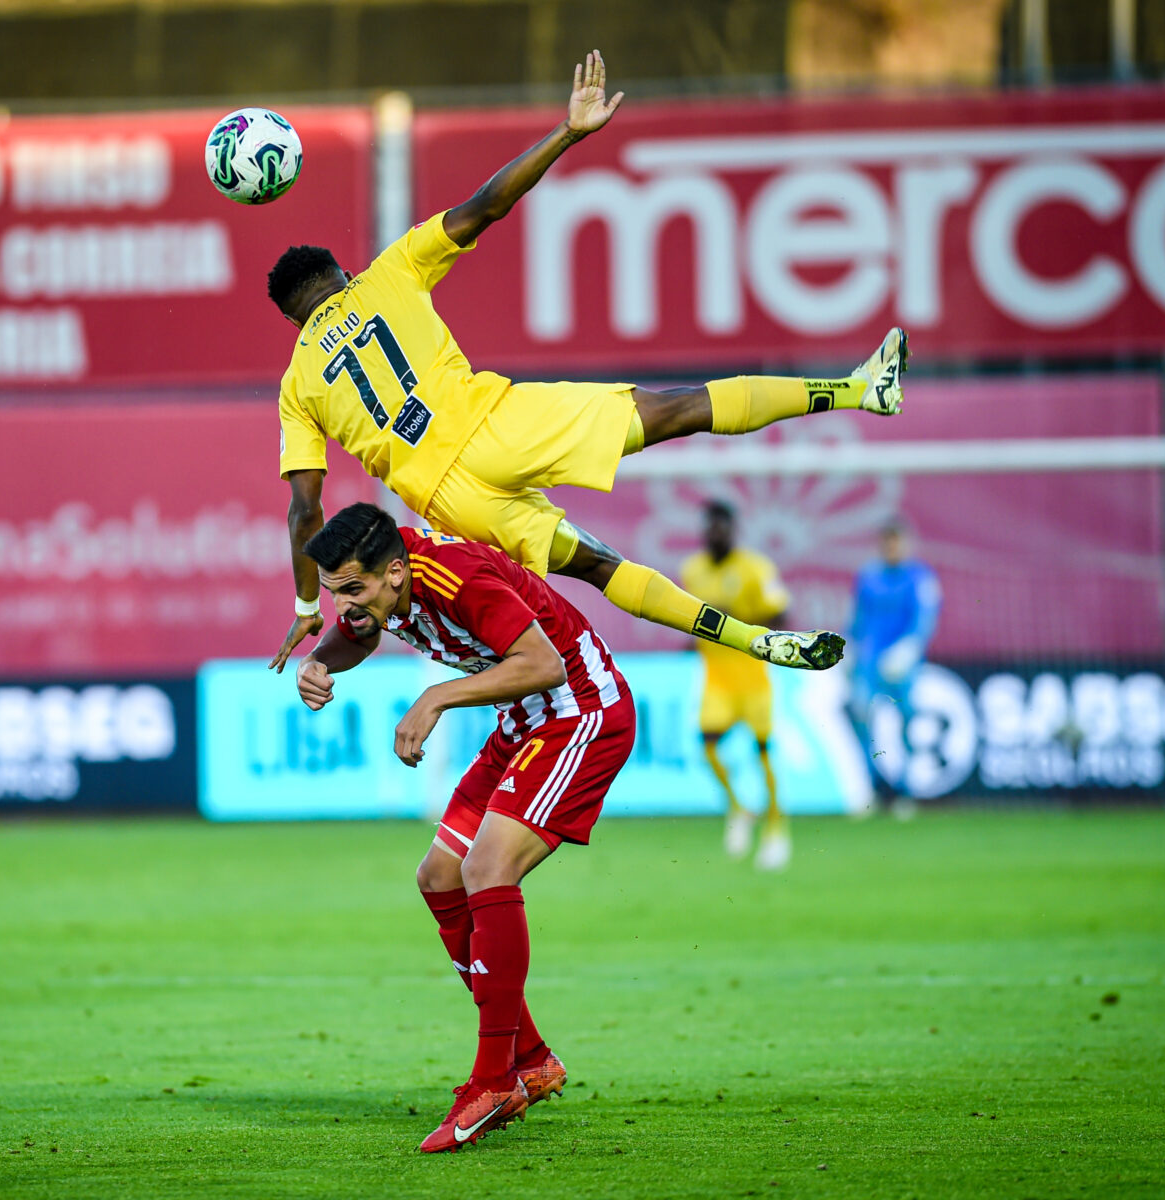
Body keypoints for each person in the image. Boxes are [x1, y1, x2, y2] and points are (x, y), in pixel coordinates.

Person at [268, 49, 906, 680]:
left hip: (450, 500)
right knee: (678, 409)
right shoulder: (388, 272)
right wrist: (567, 133)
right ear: (342, 274)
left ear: (295, 322)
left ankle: (755, 641)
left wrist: (306, 605)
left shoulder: (297, 384)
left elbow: (306, 510)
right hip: (495, 425)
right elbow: (487, 204)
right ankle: (860, 390)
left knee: (600, 567)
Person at [294, 502, 634, 1153]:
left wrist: (436, 696)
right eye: (336, 591)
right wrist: (322, 661)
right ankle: (530, 1058)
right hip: (524, 722)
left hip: (579, 713)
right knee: (440, 876)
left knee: (486, 868)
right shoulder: (387, 581)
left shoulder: (459, 578)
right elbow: (358, 631)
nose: (345, 604)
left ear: (395, 573)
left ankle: (494, 1080)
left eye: (353, 589)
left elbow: (545, 665)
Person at [678, 502, 792, 868]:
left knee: (764, 754)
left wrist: (737, 622)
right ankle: (740, 809)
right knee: (708, 748)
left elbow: (782, 615)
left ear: (733, 530)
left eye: (721, 527)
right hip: (717, 681)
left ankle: (776, 830)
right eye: (710, 526)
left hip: (753, 679)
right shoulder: (692, 570)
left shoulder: (756, 569)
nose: (715, 533)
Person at [848, 520, 941, 816]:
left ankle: (905, 789)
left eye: (896, 542)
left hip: (902, 665)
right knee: (861, 718)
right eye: (887, 542)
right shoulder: (868, 576)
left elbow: (924, 620)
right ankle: (874, 787)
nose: (891, 548)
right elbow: (858, 618)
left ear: (906, 544)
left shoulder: (921, 578)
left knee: (907, 721)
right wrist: (849, 647)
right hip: (868, 664)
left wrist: (909, 649)